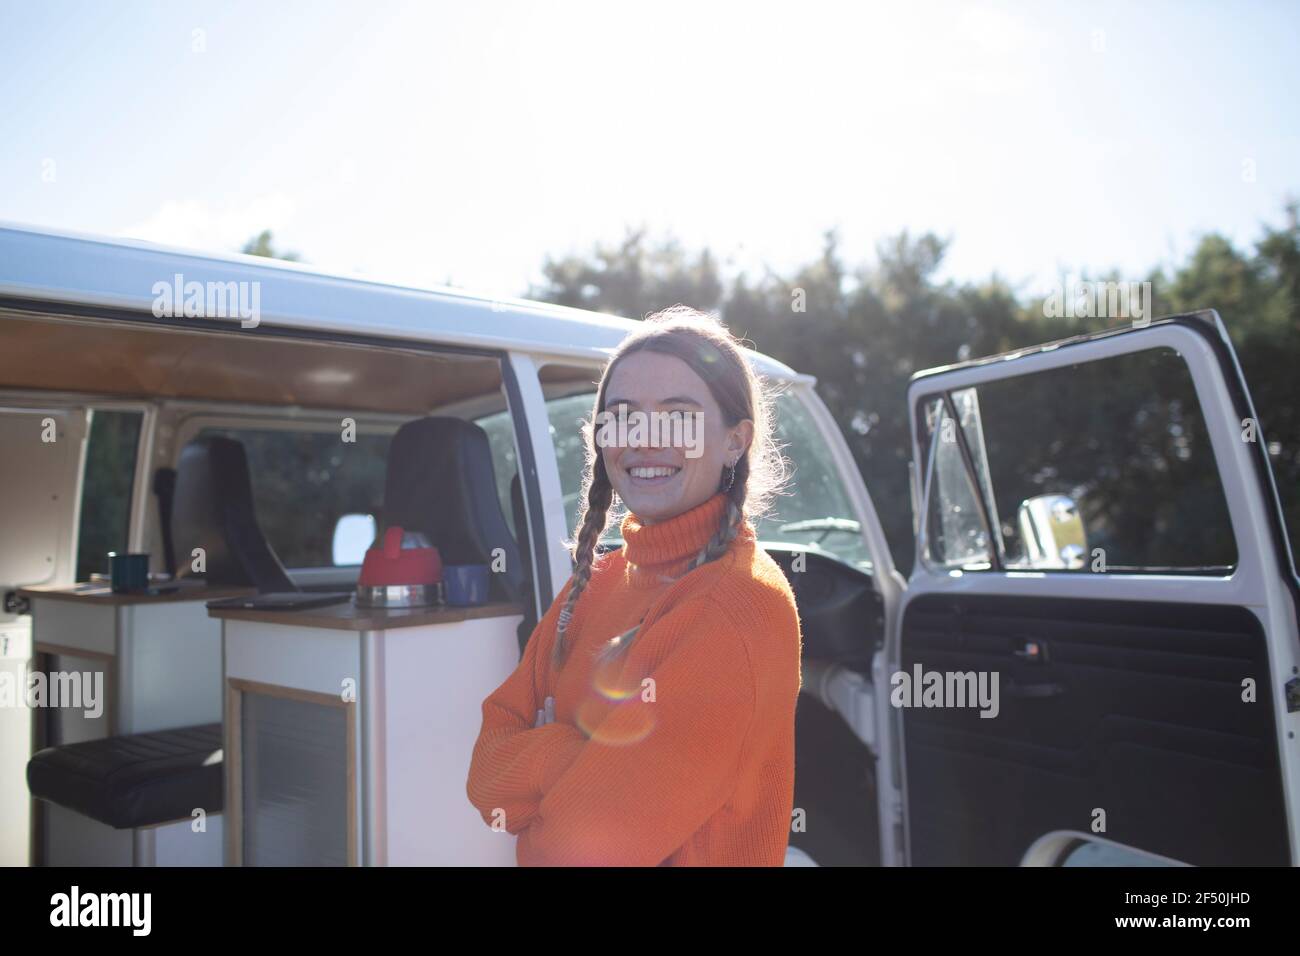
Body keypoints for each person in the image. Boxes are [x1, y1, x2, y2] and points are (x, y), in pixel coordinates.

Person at [465, 305, 802, 866]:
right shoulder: (595, 582)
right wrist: (570, 759)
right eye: (622, 417)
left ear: (735, 441)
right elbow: (484, 780)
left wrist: (544, 760)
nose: (644, 441)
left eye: (678, 418)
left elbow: (576, 850)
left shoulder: (738, 606)